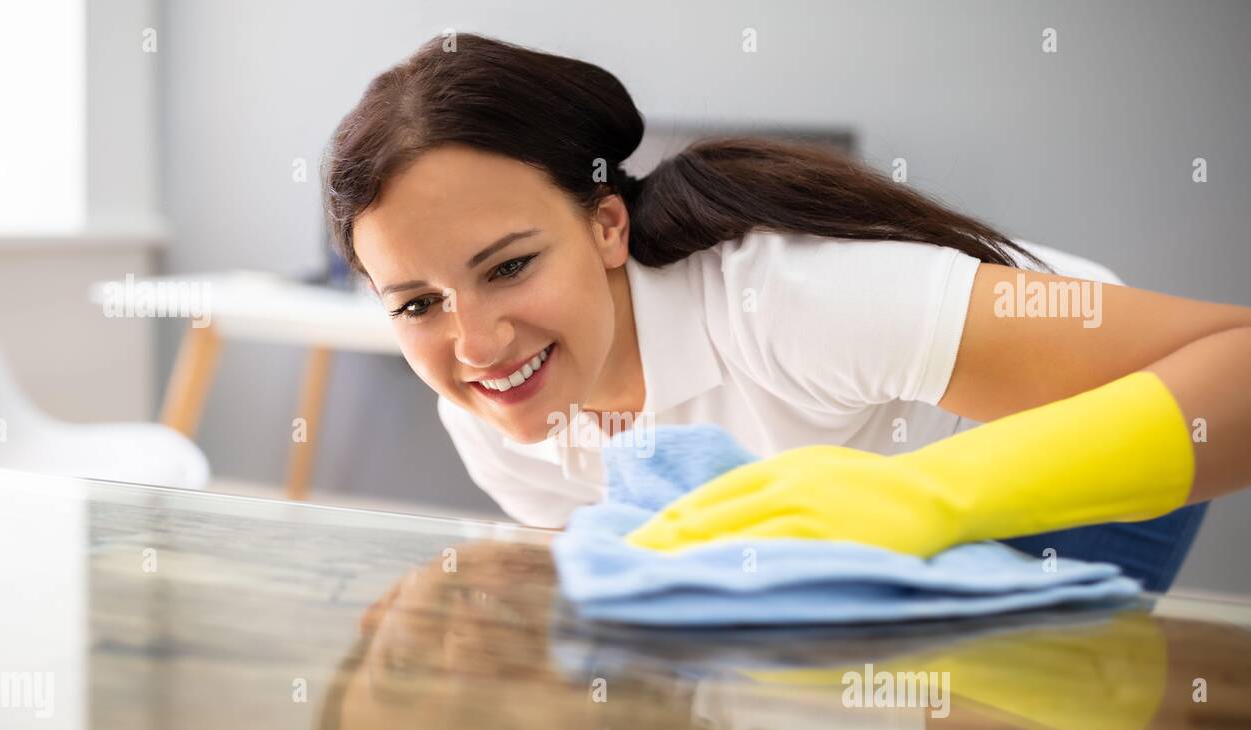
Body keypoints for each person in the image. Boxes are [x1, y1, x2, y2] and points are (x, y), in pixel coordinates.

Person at [321, 33, 1250, 593]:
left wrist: (927, 495)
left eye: (511, 266)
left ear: (606, 224)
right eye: (417, 303)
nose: (475, 343)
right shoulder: (487, 415)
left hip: (1084, 441)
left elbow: (1237, 360)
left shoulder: (790, 299)